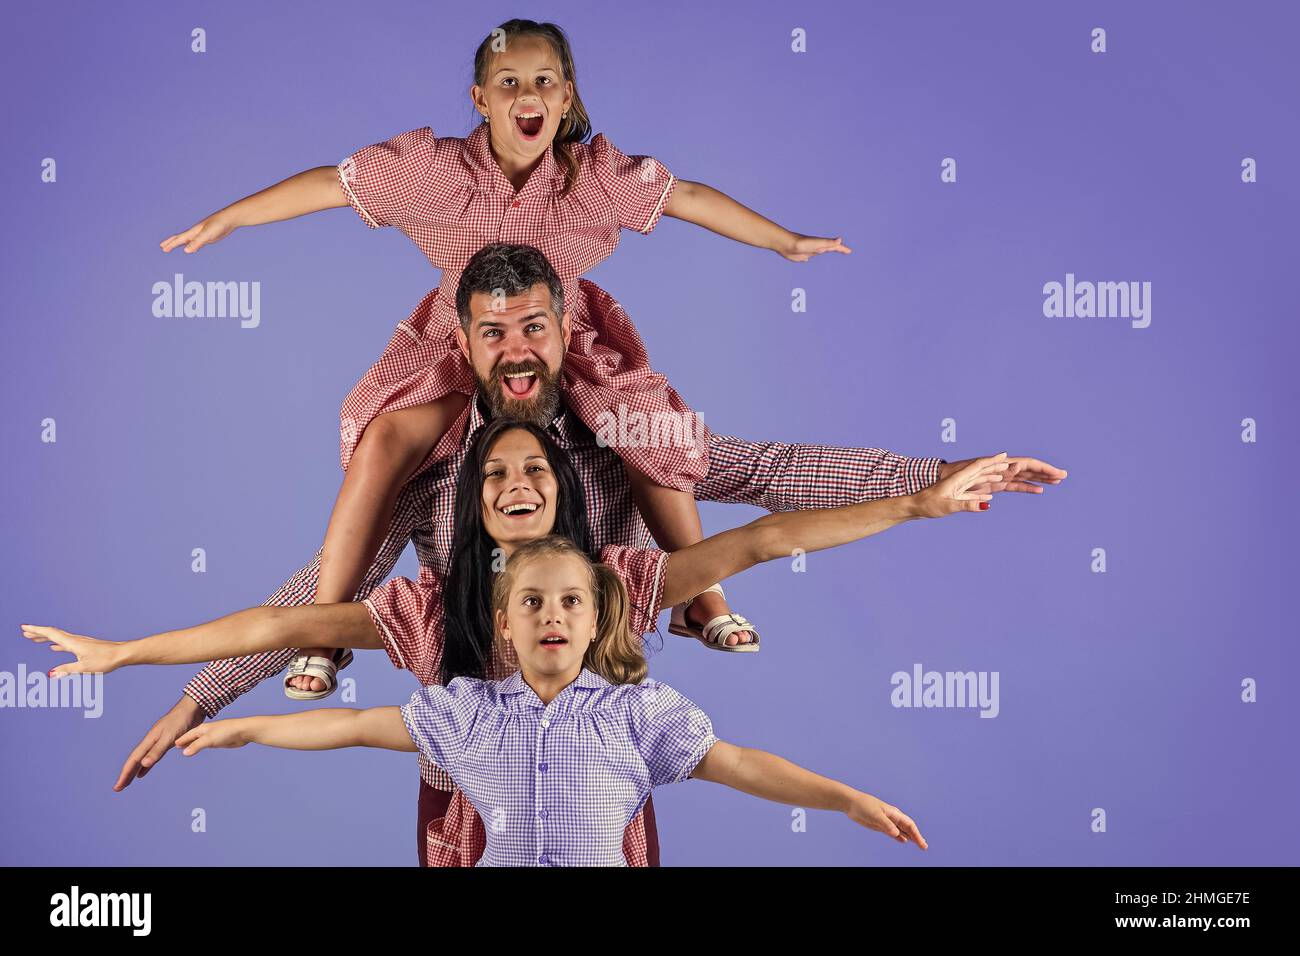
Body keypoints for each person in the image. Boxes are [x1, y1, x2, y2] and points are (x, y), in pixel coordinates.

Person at [159, 17, 864, 672]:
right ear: (482, 99)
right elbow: (330, 184)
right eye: (509, 83)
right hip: (458, 343)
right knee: (381, 444)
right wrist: (229, 219)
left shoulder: (593, 178)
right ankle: (321, 633)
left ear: (566, 98)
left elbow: (689, 196)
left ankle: (699, 596)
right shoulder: (436, 172)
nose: (528, 95)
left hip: (565, 344)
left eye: (544, 82)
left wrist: (785, 240)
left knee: (646, 429)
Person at [25, 419, 1014, 865]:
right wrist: (150, 671)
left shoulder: (619, 575)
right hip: (471, 809)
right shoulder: (432, 610)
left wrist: (920, 495)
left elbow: (770, 518)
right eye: (492, 473)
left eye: (532, 466)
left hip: (596, 806)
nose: (512, 481)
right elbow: (280, 622)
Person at [168, 536, 930, 867]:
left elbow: (739, 764)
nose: (552, 615)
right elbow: (356, 725)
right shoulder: (468, 712)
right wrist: (251, 730)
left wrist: (846, 800)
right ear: (505, 622)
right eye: (531, 602)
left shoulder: (639, 713)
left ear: (597, 620)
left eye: (570, 601)